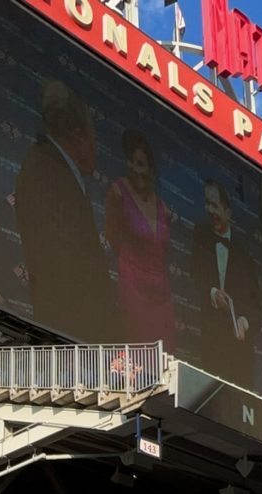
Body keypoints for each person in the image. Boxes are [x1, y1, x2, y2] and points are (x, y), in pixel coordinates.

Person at [14, 79, 118, 344]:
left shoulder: (55, 167)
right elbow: (64, 265)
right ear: (78, 135)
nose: (96, 148)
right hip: (70, 332)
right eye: (94, 139)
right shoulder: (46, 170)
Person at [102, 129, 175, 349]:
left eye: (141, 164)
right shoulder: (118, 192)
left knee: (163, 358)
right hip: (134, 288)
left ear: (151, 169)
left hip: (162, 294)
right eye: (131, 162)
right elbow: (111, 235)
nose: (135, 169)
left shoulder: (163, 208)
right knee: (137, 355)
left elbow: (164, 250)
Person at [189, 178, 262, 384]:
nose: (210, 210)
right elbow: (193, 276)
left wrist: (244, 322)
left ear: (228, 212)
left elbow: (258, 309)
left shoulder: (244, 254)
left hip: (239, 356)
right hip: (211, 346)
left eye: (215, 205)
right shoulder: (200, 236)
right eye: (207, 204)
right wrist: (213, 294)